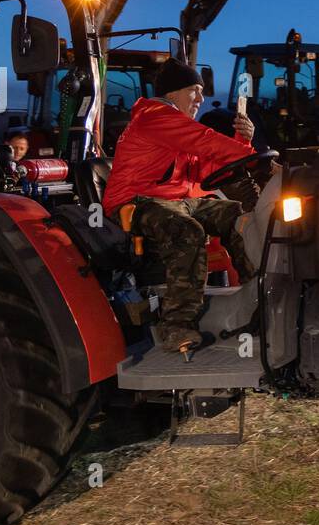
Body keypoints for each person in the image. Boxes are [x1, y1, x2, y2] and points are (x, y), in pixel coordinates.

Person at [102, 59, 259, 352]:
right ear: (173, 93)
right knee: (186, 230)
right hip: (136, 201)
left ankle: (257, 300)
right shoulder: (156, 118)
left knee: (238, 216)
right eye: (194, 91)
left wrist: (243, 140)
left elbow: (204, 169)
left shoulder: (178, 126)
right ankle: (176, 325)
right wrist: (247, 152)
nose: (200, 99)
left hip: (177, 201)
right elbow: (209, 143)